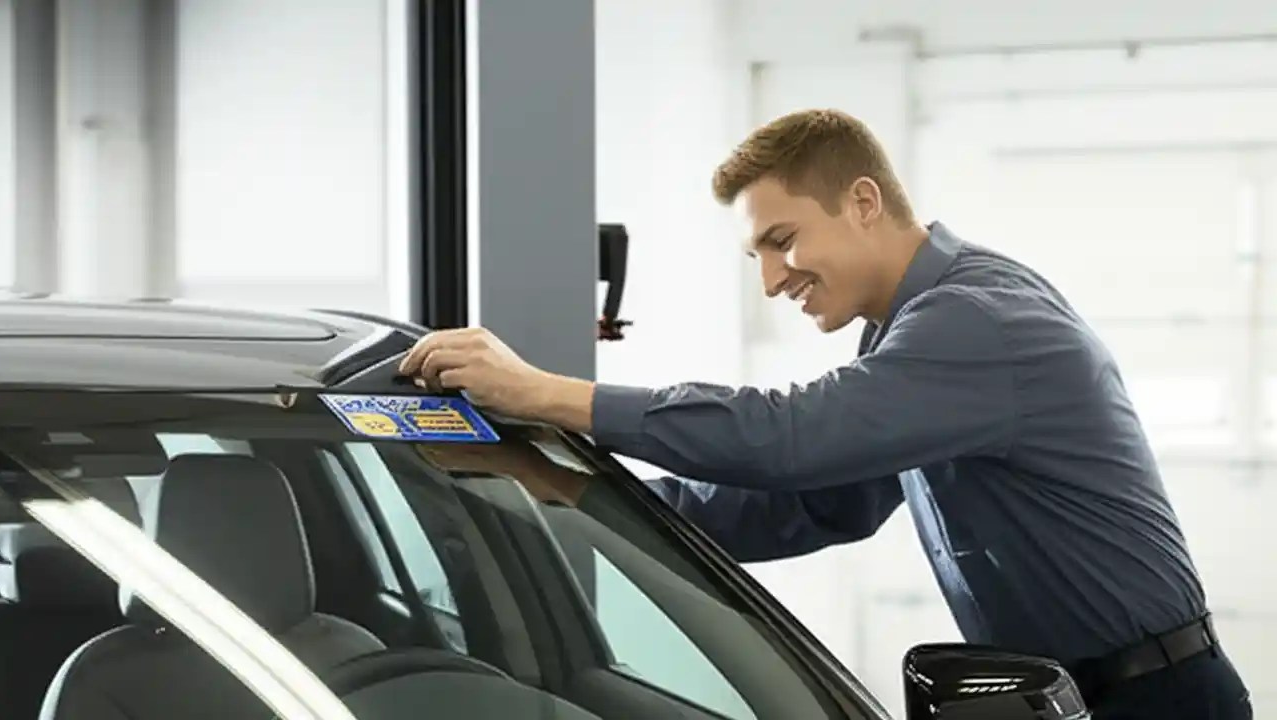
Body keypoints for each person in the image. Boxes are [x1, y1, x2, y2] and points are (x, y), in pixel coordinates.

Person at [397, 109, 1253, 719]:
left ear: (865, 202)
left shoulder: (974, 320)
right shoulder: (911, 338)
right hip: (1057, 695)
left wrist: (544, 394)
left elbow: (789, 438)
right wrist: (564, 491)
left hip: (1158, 699)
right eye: (757, 254)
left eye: (783, 240)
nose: (773, 279)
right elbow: (814, 501)